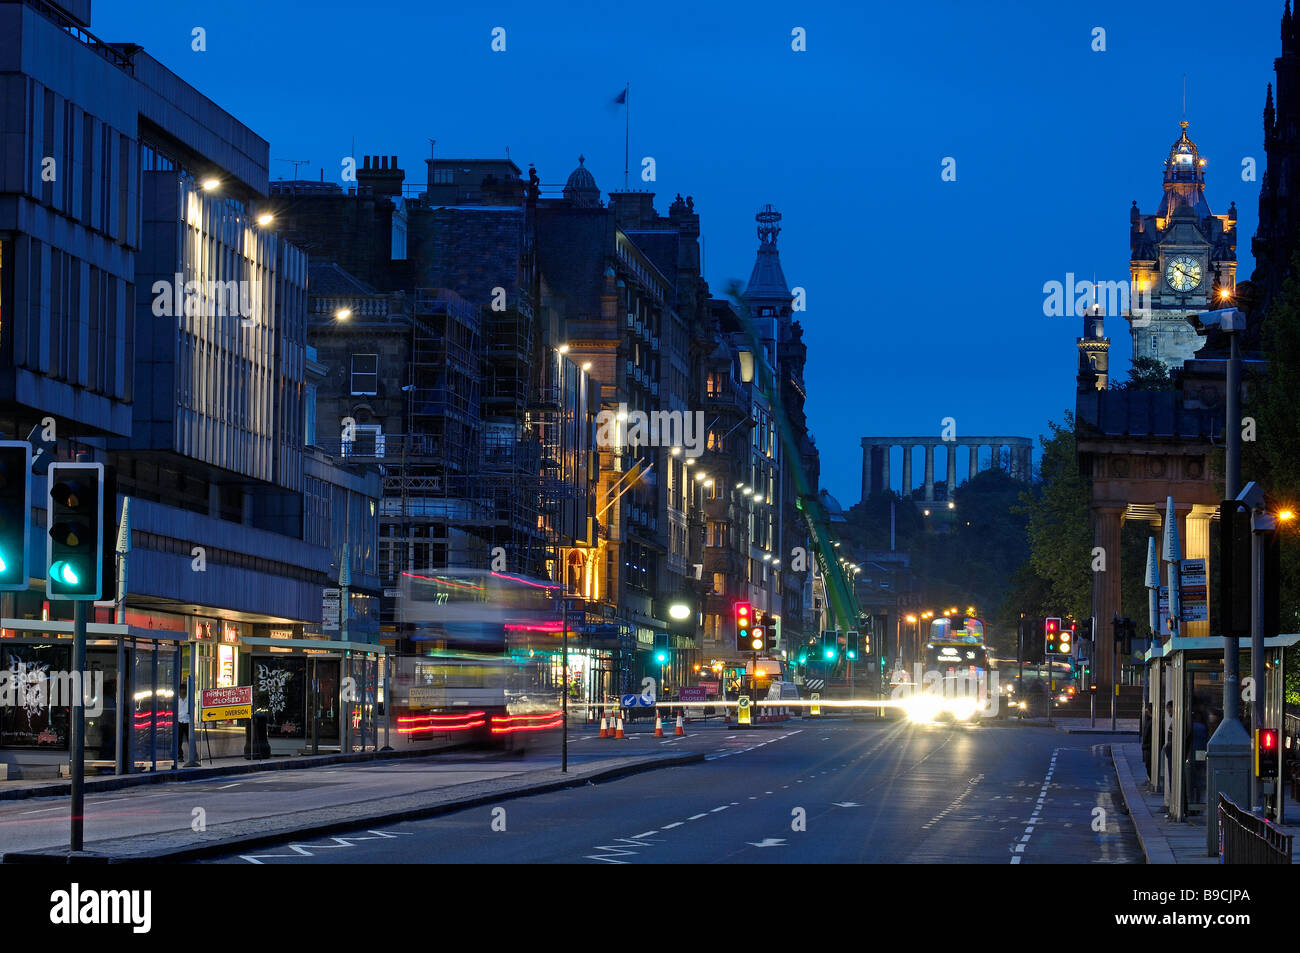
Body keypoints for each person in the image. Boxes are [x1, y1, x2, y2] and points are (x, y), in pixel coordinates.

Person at [177, 681, 191, 763]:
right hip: (179, 721)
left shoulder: (189, 699)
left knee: (190, 740)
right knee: (179, 740)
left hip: (188, 721)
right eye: (182, 690)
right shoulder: (177, 699)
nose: (183, 692)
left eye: (184, 690)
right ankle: (180, 756)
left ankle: (193, 756)